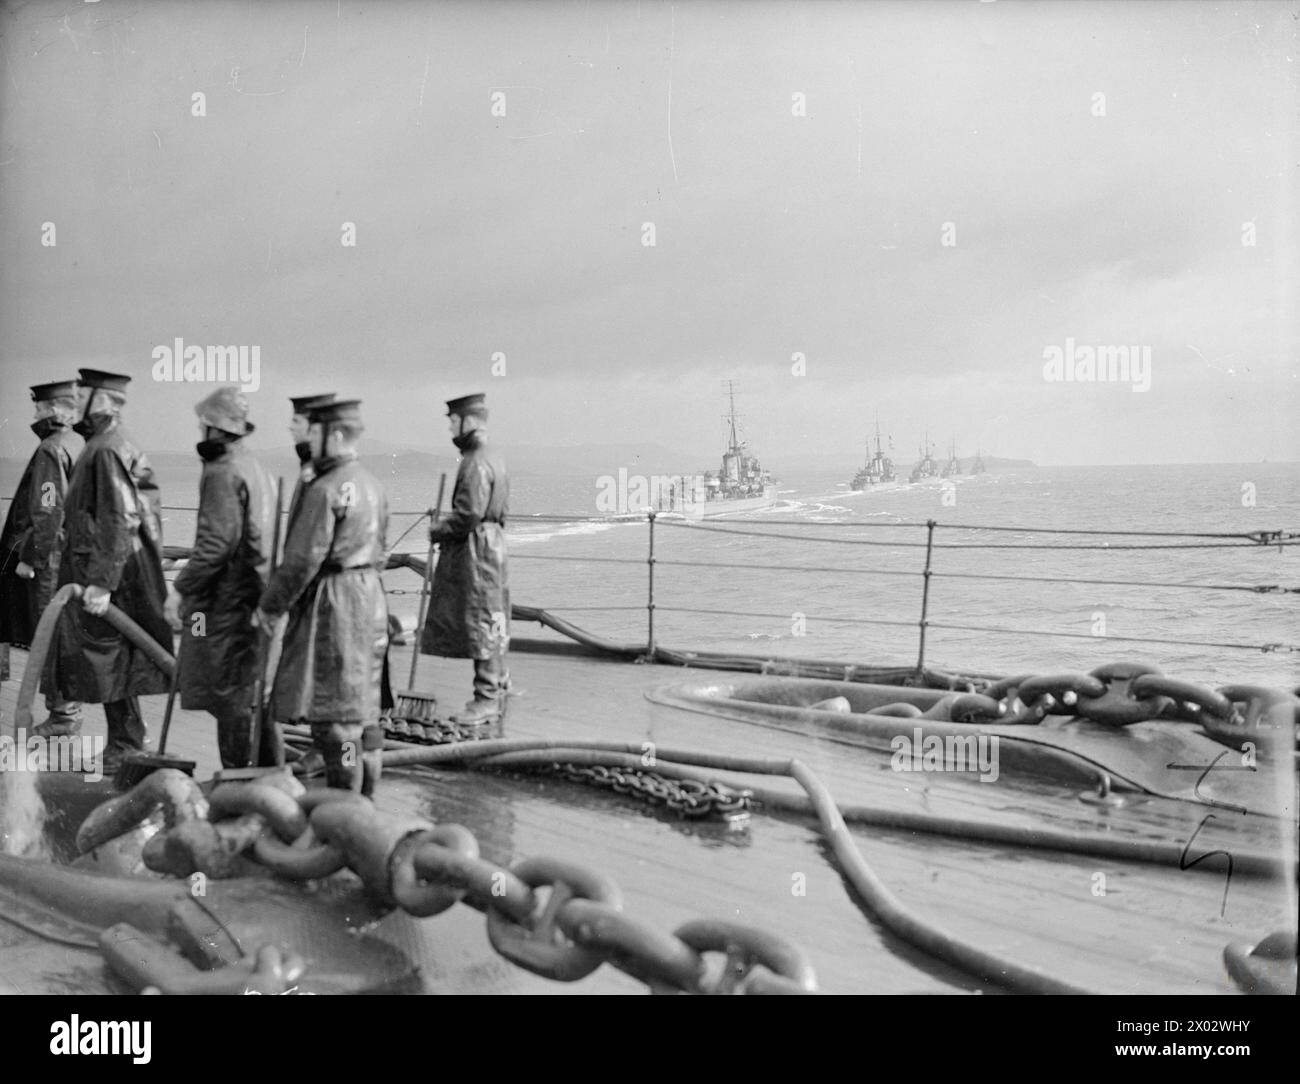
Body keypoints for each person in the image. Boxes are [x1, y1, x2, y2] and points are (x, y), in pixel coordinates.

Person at [41, 369, 171, 772]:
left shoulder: (107, 448)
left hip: (112, 577)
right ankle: (125, 743)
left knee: (114, 659)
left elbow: (120, 517)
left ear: (107, 401)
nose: (76, 400)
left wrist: (102, 582)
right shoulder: (101, 444)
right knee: (113, 663)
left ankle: (127, 745)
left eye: (84, 394)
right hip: (110, 572)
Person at [256, 399, 388, 791]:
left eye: (313, 433)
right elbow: (380, 551)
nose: (307, 440)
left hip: (335, 609)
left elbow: (301, 559)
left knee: (335, 722)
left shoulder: (326, 488)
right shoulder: (372, 484)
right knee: (362, 712)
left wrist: (270, 607)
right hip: (369, 601)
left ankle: (347, 811)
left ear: (333, 436)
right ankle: (365, 802)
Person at [168, 388, 278, 769]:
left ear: (213, 428)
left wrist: (180, 589)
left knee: (228, 695)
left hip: (227, 600)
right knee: (251, 694)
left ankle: (238, 783)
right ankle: (271, 776)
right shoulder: (256, 468)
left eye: (203, 424)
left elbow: (216, 543)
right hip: (255, 595)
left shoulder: (221, 471)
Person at [419, 393, 510, 724]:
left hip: (476, 551)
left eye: (453, 422)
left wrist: (438, 530)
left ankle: (486, 698)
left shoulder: (473, 462)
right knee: (494, 616)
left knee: (479, 619)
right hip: (493, 544)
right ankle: (500, 684)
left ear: (468, 422)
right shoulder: (494, 457)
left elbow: (468, 513)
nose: (450, 429)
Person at [0, 380, 81, 735]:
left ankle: (64, 716)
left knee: (47, 636)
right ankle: (64, 712)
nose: (34, 414)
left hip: (44, 566)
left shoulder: (50, 449)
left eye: (40, 408)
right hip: (57, 559)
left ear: (54, 412)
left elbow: (49, 510)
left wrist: (29, 559)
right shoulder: (69, 445)